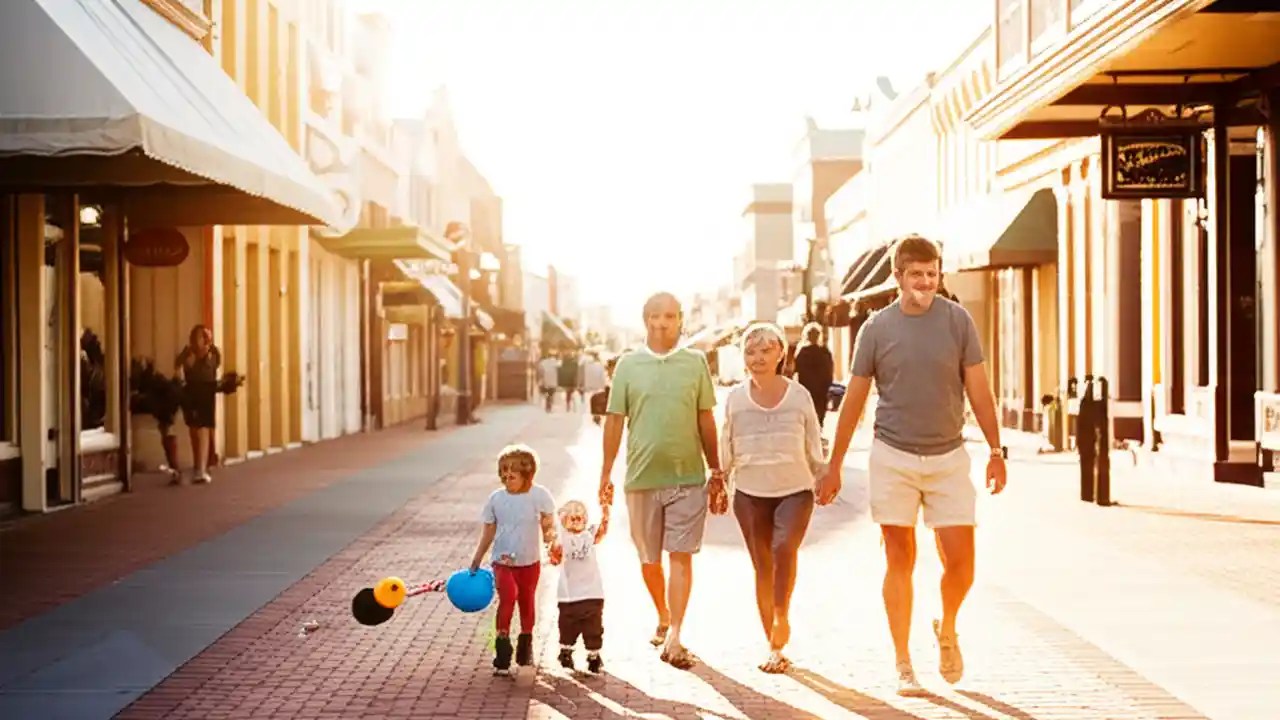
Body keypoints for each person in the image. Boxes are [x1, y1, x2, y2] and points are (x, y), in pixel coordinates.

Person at [817, 234, 1007, 696]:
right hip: (894, 455)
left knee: (962, 564)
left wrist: (997, 450)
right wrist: (834, 463)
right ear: (897, 276)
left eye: (932, 273)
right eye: (916, 274)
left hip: (948, 455)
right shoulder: (876, 328)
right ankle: (903, 662)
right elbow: (856, 399)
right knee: (900, 556)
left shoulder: (957, 321)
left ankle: (947, 627)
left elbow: (979, 389)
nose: (925, 282)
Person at [599, 292, 726, 670]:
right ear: (645, 319)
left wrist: (715, 468)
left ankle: (675, 636)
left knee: (681, 556)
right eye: (655, 316)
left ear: (680, 319)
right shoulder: (627, 365)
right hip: (640, 478)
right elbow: (614, 420)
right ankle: (663, 613)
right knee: (649, 559)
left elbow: (706, 418)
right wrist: (605, 473)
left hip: (687, 477)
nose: (662, 322)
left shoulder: (695, 363)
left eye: (669, 315)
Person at [719, 322, 823, 674]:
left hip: (795, 490)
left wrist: (824, 474)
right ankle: (774, 648)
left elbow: (813, 443)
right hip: (749, 494)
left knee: (783, 549)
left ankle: (781, 615)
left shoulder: (799, 396)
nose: (759, 357)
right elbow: (726, 445)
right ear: (743, 358)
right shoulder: (735, 398)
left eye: (766, 350)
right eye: (751, 351)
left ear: (781, 353)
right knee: (762, 567)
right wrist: (719, 479)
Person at [469, 445, 559, 676]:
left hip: (530, 561)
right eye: (504, 476)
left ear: (528, 475)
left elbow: (548, 525)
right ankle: (502, 648)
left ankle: (526, 645)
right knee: (508, 597)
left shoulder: (539, 495)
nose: (507, 481)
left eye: (513, 476)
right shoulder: (496, 499)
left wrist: (551, 545)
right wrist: (477, 558)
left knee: (527, 600)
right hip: (502, 561)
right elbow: (488, 531)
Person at [549, 499, 610, 674]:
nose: (576, 521)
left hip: (592, 592)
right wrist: (553, 553)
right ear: (564, 521)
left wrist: (606, 512)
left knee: (594, 627)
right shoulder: (562, 538)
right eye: (572, 518)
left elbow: (602, 532)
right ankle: (566, 651)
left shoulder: (589, 536)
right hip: (570, 595)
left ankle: (594, 656)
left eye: (580, 517)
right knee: (568, 626)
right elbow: (555, 556)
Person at [175, 324, 221, 484]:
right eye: (200, 337)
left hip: (206, 391)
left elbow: (214, 367)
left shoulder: (213, 352)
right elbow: (178, 365)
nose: (202, 340)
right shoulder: (188, 352)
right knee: (194, 429)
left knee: (204, 429)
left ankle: (201, 469)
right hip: (191, 391)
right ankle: (197, 466)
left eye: (205, 337)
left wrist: (207, 349)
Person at [794, 322, 835, 427]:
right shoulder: (825, 352)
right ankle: (819, 429)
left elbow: (796, 369)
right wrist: (828, 384)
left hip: (807, 387)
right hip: (821, 389)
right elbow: (830, 370)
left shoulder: (802, 352)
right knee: (820, 410)